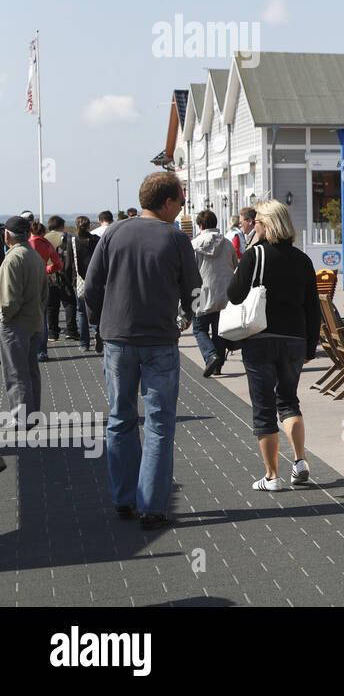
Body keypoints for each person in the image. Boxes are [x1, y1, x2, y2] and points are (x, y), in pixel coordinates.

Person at [84, 172, 202, 530]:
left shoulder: (115, 233)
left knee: (120, 419)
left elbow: (91, 286)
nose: (182, 208)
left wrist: (99, 325)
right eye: (180, 201)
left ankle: (123, 498)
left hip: (118, 340)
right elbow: (194, 291)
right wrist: (185, 319)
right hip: (160, 342)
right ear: (167, 202)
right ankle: (152, 505)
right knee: (159, 423)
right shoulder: (176, 238)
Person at [227, 199, 319, 492]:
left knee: (263, 408)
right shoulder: (303, 259)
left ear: (265, 224)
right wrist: (310, 346)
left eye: (256, 222)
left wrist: (252, 247)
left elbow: (234, 294)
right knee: (289, 401)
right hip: (294, 339)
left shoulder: (255, 255)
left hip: (260, 338)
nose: (253, 226)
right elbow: (312, 307)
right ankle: (300, 460)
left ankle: (271, 476)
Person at [0, 215, 49, 426]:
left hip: (15, 323)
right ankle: (33, 414)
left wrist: (4, 318)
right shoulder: (34, 256)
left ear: (8, 236)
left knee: (15, 371)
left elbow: (9, 299)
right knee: (31, 371)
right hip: (34, 320)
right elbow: (44, 293)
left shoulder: (12, 259)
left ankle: (21, 417)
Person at [191, 209, 237, 377]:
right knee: (219, 331)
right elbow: (234, 264)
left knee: (199, 329)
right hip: (224, 293)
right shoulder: (227, 243)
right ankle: (217, 367)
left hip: (200, 292)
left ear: (201, 225)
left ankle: (211, 356)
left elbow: (190, 271)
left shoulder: (194, 245)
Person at [27, 221, 61, 362]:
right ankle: (42, 351)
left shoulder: (27, 244)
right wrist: (47, 270)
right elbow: (58, 263)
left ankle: (29, 351)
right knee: (43, 317)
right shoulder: (46, 244)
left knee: (27, 317)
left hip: (28, 283)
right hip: (43, 282)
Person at [44, 216, 78, 345]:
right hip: (65, 275)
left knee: (52, 306)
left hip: (50, 275)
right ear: (62, 226)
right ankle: (71, 331)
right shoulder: (68, 236)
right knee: (69, 303)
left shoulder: (44, 239)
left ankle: (52, 333)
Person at [70, 216, 99, 352]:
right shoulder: (96, 240)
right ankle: (99, 333)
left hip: (79, 281)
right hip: (96, 280)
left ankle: (84, 343)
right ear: (89, 226)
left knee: (81, 313)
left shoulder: (73, 241)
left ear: (76, 226)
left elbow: (69, 263)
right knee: (97, 309)